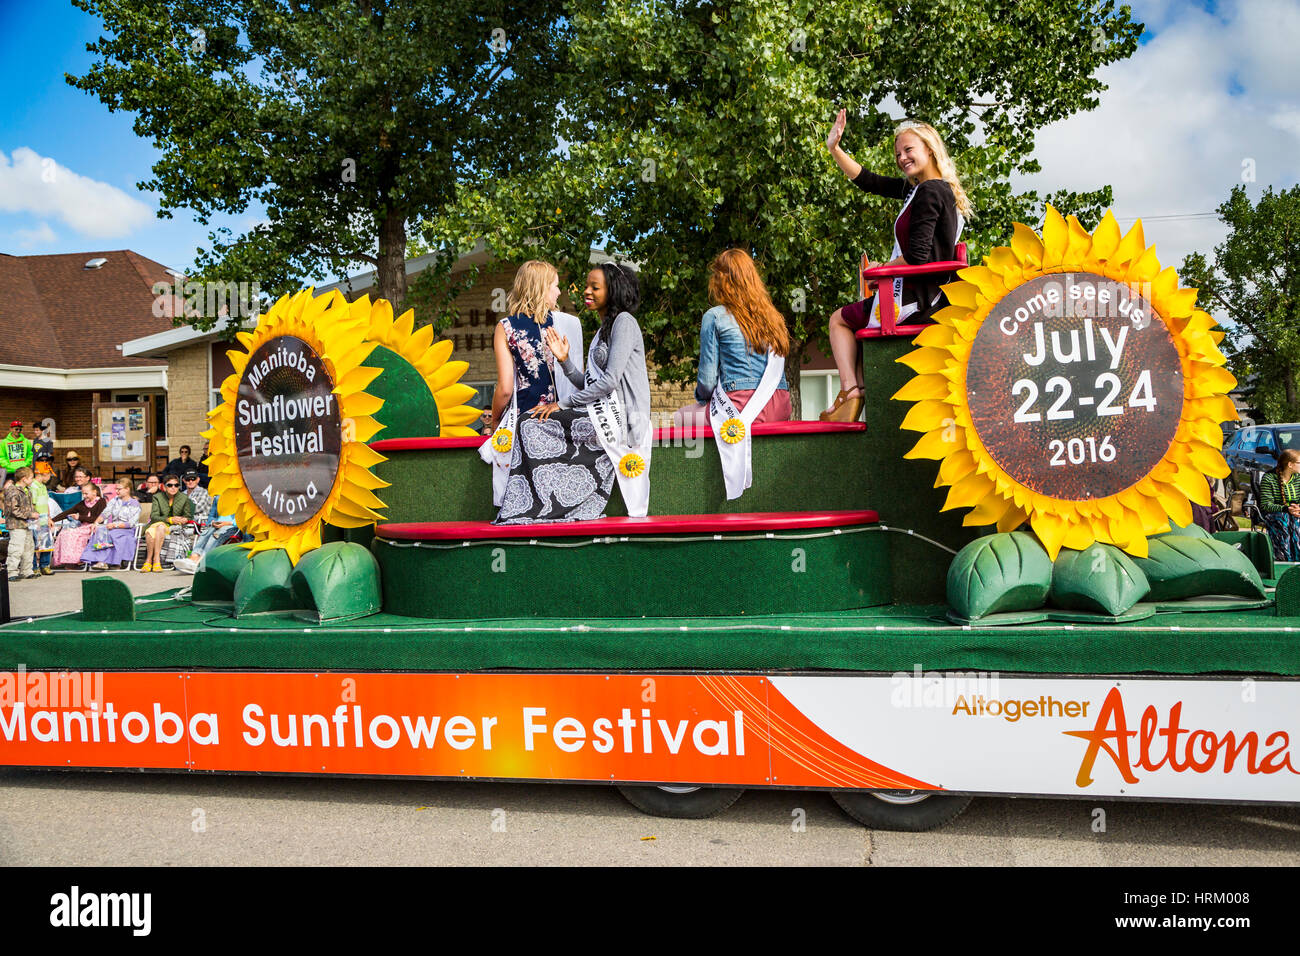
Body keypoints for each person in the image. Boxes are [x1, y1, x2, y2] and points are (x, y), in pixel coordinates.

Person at [819, 112, 973, 422]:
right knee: (855, 324)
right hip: (921, 293)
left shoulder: (930, 191)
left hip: (915, 301)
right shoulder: (925, 190)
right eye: (898, 153)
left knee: (838, 321)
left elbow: (917, 257)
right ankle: (854, 393)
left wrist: (882, 269)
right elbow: (869, 181)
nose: (902, 158)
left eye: (909, 150)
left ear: (929, 149)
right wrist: (835, 148)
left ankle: (851, 391)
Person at [673, 249, 792, 428]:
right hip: (780, 405)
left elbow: (707, 383)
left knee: (680, 416)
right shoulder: (774, 318)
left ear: (720, 281)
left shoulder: (715, 316)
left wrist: (702, 398)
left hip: (739, 403)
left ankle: (714, 457)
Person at [83, 477, 142, 570]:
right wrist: (96, 523)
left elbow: (131, 523)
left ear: (127, 489)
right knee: (99, 531)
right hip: (114, 528)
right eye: (116, 489)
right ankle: (98, 560)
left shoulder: (134, 504)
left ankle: (103, 561)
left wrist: (115, 525)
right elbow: (105, 513)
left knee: (111, 534)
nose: (117, 491)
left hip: (127, 530)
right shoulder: (115, 500)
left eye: (119, 489)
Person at [140, 474, 194, 572]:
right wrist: (169, 519)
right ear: (164, 486)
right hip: (158, 524)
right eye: (170, 485)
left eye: (176, 485)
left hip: (175, 527)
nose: (173, 488)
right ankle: (155, 561)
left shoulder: (183, 498)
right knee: (155, 528)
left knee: (151, 531)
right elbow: (154, 516)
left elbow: (188, 516)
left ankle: (150, 560)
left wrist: (184, 519)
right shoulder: (157, 497)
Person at [172, 499, 242, 574]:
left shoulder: (240, 497)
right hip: (217, 524)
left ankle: (202, 562)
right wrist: (213, 522)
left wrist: (228, 523)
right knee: (205, 533)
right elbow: (211, 516)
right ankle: (193, 558)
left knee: (215, 536)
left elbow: (243, 518)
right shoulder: (218, 497)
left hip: (232, 526)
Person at [50, 480, 106, 568]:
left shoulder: (101, 502)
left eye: (86, 494)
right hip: (83, 527)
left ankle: (76, 560)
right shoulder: (82, 503)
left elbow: (98, 519)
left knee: (72, 534)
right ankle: (66, 560)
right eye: (83, 494)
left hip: (95, 527)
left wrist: (79, 517)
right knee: (64, 533)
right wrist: (52, 520)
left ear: (94, 492)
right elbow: (67, 512)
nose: (84, 496)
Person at [1260, 449, 1300, 562]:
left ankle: (1297, 559)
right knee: (1284, 520)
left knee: (1296, 520)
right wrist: (1286, 509)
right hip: (1274, 513)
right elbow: (1266, 505)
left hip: (1294, 512)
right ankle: (1284, 559)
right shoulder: (1269, 478)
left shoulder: (1298, 478)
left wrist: (1298, 509)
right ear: (1290, 465)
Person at [3, 466, 37, 581]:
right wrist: (30, 514)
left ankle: (26, 570)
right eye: (31, 478)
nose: (32, 480)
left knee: (29, 547)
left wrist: (33, 514)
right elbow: (14, 510)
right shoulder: (13, 491)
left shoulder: (27, 490)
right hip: (16, 525)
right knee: (16, 548)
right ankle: (11, 572)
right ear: (24, 479)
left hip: (26, 524)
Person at [28, 468, 55, 575]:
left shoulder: (43, 486)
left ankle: (45, 565)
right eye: (49, 475)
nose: (49, 478)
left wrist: (49, 517)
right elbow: (32, 504)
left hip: (44, 518)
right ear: (44, 474)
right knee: (35, 543)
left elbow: (46, 502)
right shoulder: (33, 487)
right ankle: (34, 567)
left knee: (46, 542)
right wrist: (35, 519)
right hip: (36, 519)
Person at [2, 420, 33, 486]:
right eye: (16, 429)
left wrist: (25, 464)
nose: (18, 431)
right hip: (10, 472)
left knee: (24, 491)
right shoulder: (4, 442)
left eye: (20, 429)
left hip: (23, 472)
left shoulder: (26, 441)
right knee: (9, 491)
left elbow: (30, 455)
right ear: (11, 429)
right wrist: (8, 465)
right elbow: (1, 457)